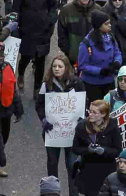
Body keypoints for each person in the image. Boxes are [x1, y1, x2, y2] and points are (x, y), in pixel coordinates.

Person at [37, 54, 86, 191]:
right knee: (52, 164)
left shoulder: (77, 83)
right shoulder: (46, 84)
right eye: (54, 66)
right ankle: (52, 192)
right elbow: (39, 105)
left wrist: (82, 119)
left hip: (72, 132)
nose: (56, 69)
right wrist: (44, 120)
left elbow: (83, 103)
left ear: (66, 68)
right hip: (52, 132)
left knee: (72, 165)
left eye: (60, 66)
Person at [14, 0, 59, 93]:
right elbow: (15, 9)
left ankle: (36, 89)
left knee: (40, 62)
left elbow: (53, 6)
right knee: (25, 58)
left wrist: (50, 20)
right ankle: (20, 75)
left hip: (43, 31)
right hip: (27, 32)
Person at [72, 99, 121, 196]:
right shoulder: (82, 126)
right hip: (88, 172)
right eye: (89, 111)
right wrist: (87, 150)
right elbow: (75, 149)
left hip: (107, 171)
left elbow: (118, 151)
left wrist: (104, 151)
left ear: (103, 114)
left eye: (94, 112)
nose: (90, 114)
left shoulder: (113, 127)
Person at [77, 10, 123, 103]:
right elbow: (82, 65)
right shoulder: (86, 43)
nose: (110, 25)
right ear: (99, 26)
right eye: (106, 24)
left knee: (110, 109)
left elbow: (117, 52)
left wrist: (117, 62)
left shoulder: (110, 37)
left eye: (109, 23)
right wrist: (100, 71)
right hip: (92, 84)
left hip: (109, 81)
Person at [59, 0, 99, 71]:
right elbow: (62, 33)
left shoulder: (98, 10)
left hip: (91, 57)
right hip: (72, 57)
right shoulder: (66, 10)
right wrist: (67, 51)